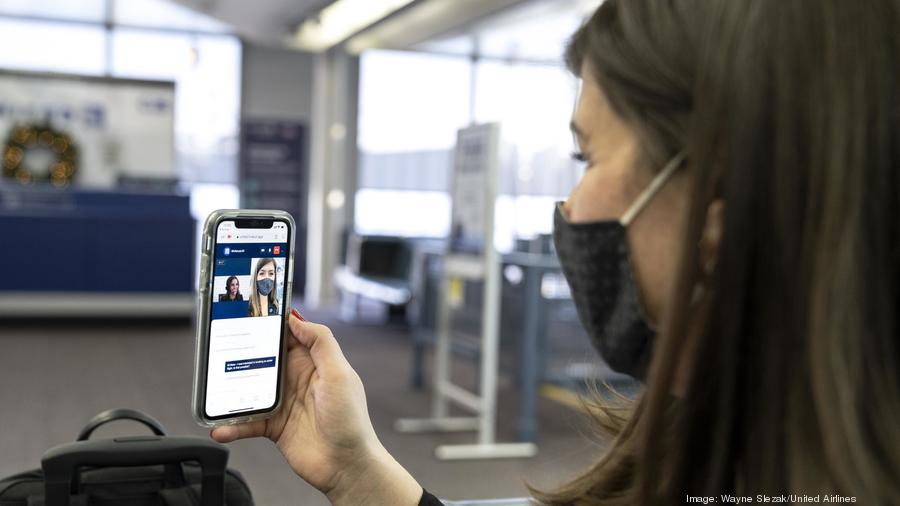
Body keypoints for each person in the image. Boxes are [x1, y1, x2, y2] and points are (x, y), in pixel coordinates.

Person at [211, 0, 900, 504]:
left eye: (587, 155)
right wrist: (355, 468)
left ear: (718, 201)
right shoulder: (733, 445)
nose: (570, 206)